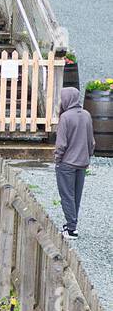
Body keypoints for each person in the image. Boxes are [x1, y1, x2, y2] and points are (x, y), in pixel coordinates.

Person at [54, 86, 95, 239]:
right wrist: (88, 156)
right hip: (82, 162)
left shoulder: (65, 117)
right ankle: (72, 224)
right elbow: (91, 142)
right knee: (76, 196)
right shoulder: (86, 115)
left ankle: (71, 229)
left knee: (67, 195)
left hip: (67, 163)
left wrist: (57, 159)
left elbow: (61, 144)